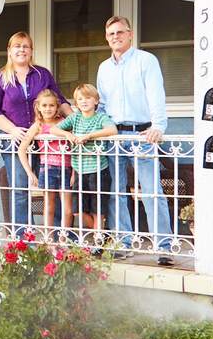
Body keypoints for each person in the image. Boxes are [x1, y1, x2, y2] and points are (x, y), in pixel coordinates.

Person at [96, 15, 174, 265]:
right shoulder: (103, 68)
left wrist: (158, 126)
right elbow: (102, 105)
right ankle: (123, 242)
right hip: (114, 135)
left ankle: (164, 246)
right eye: (111, 34)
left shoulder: (145, 61)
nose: (116, 37)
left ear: (130, 34)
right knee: (116, 191)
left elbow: (156, 95)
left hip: (142, 134)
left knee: (152, 191)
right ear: (107, 38)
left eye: (120, 32)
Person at [0, 31, 72, 228]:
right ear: (9, 50)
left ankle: (56, 236)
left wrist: (75, 122)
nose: (21, 49)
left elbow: (60, 101)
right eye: (17, 46)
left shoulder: (42, 74)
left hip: (46, 141)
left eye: (25, 46)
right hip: (15, 141)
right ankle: (24, 240)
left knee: (53, 188)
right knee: (20, 189)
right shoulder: (0, 78)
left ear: (31, 50)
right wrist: (13, 130)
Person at [50, 84, 117, 233]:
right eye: (80, 99)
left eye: (88, 98)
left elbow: (112, 130)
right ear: (76, 103)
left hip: (98, 169)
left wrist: (89, 135)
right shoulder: (75, 117)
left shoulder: (101, 117)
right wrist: (67, 134)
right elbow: (54, 129)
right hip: (80, 170)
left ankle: (97, 242)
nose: (84, 101)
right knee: (77, 210)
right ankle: (100, 233)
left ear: (96, 101)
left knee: (97, 209)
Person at [17, 89, 73, 234]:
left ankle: (63, 239)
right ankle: (49, 241)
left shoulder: (64, 123)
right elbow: (21, 149)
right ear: (39, 107)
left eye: (51, 105)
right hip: (47, 169)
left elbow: (75, 149)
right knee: (49, 207)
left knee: (67, 209)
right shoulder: (38, 126)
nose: (48, 109)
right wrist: (30, 173)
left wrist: (75, 172)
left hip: (66, 169)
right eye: (45, 105)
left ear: (57, 107)